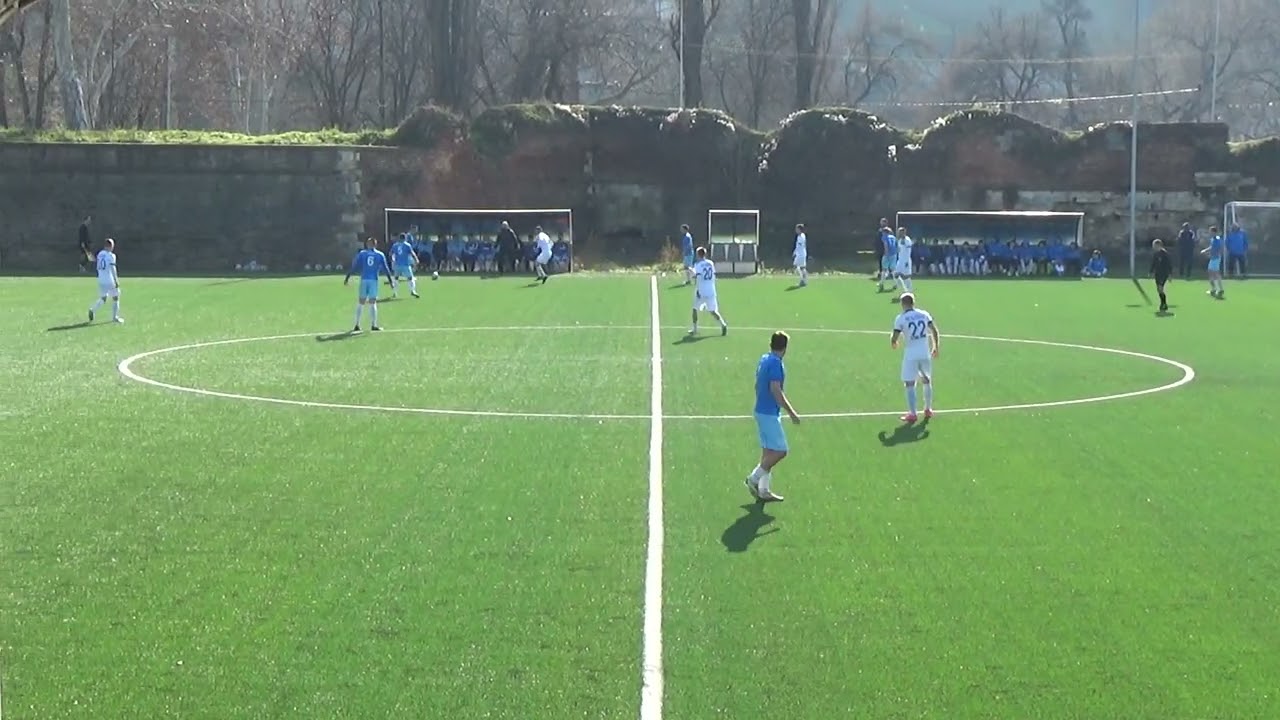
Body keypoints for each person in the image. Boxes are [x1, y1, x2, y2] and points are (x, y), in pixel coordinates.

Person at [745, 331, 799, 503]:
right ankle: (753, 479)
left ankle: (764, 490)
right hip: (768, 413)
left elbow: (757, 385)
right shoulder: (776, 363)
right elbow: (776, 390)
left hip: (761, 410)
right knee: (781, 451)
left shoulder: (765, 359)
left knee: (768, 452)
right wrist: (792, 412)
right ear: (785, 348)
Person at [890, 292, 938, 424]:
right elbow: (934, 330)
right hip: (924, 352)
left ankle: (913, 413)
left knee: (909, 383)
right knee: (927, 380)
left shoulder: (901, 318)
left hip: (911, 354)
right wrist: (935, 347)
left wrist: (893, 342)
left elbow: (895, 336)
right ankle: (928, 409)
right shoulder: (924, 314)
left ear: (902, 304)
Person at [344, 237, 394, 332]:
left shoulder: (362, 254)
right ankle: (374, 325)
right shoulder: (380, 254)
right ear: (375, 244)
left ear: (367, 244)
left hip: (364, 279)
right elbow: (386, 268)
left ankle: (357, 325)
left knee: (361, 302)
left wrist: (347, 277)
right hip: (373, 280)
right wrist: (390, 281)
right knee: (372, 302)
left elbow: (354, 266)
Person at [689, 246, 728, 336]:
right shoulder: (711, 263)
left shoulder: (698, 265)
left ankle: (695, 329)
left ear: (698, 255)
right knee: (713, 311)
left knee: (695, 309)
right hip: (711, 290)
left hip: (702, 290)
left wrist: (698, 289)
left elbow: (698, 277)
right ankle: (723, 324)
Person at [88, 237, 123, 324]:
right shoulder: (111, 256)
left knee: (103, 298)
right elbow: (113, 268)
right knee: (116, 297)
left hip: (101, 279)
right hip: (109, 280)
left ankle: (93, 309)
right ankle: (115, 317)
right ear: (110, 246)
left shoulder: (100, 254)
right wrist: (116, 280)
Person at [389, 233, 420, 299]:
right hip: (405, 265)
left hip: (397, 265)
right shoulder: (407, 245)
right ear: (405, 238)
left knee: (396, 278)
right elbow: (412, 253)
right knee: (410, 278)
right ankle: (412, 291)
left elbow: (390, 254)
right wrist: (416, 259)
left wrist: (393, 259)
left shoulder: (395, 245)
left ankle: (395, 292)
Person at [1201, 225, 1225, 298]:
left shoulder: (1217, 239)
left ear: (1214, 232)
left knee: (1215, 273)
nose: (1210, 233)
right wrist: (1205, 250)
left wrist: (1215, 255)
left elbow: (1220, 248)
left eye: (1211, 232)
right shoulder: (1213, 239)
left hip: (1216, 258)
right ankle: (1215, 289)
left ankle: (1219, 289)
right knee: (1211, 273)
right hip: (1213, 258)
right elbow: (1212, 247)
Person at [1150, 239, 1173, 313]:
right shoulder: (1155, 254)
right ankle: (1163, 304)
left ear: (1159, 245)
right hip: (1157, 274)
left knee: (1160, 288)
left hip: (1163, 274)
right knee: (1159, 289)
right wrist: (1151, 271)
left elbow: (1169, 264)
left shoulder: (1164, 254)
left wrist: (1169, 274)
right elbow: (1153, 263)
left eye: (1154, 245)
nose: (1153, 247)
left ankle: (1163, 304)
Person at [878, 220, 897, 292]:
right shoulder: (893, 237)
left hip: (887, 254)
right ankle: (895, 283)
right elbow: (896, 245)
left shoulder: (884, 237)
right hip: (894, 254)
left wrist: (886, 254)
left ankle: (881, 283)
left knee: (884, 269)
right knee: (893, 270)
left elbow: (886, 245)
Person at [893, 226, 914, 291]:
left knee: (906, 276)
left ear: (903, 232)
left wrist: (907, 261)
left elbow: (909, 249)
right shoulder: (899, 240)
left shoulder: (907, 239)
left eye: (899, 232)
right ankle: (902, 287)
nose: (898, 233)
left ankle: (909, 290)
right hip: (900, 260)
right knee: (896, 274)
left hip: (906, 260)